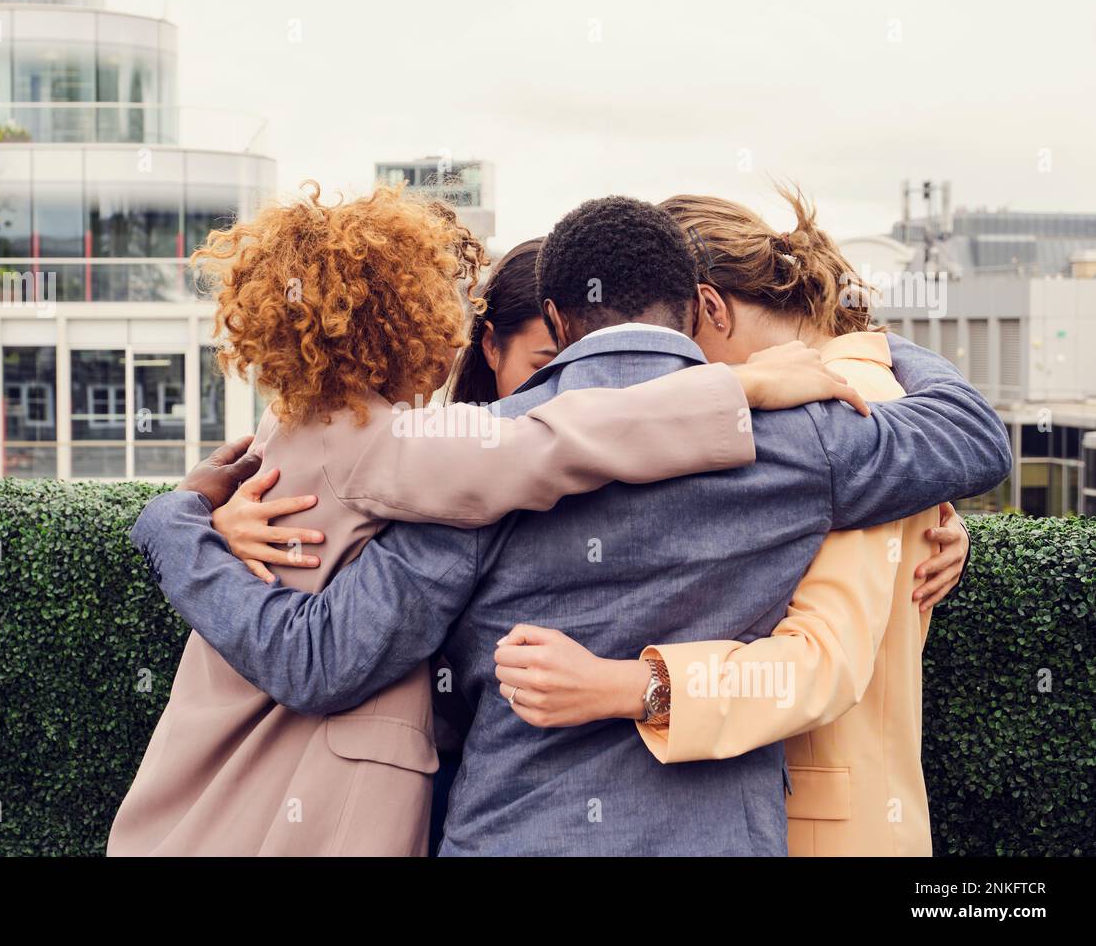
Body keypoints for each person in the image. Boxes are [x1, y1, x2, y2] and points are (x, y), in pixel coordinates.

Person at [131, 194, 1012, 855]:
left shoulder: (468, 464)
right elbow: (971, 437)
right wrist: (863, 342)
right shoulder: (803, 441)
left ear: (555, 318)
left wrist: (179, 521)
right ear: (696, 306)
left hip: (513, 832)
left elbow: (337, 654)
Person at [490, 189, 972, 855]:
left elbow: (821, 663)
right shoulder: (844, 410)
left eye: (673, 346)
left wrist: (634, 685)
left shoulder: (845, 414)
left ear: (707, 309)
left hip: (822, 828)